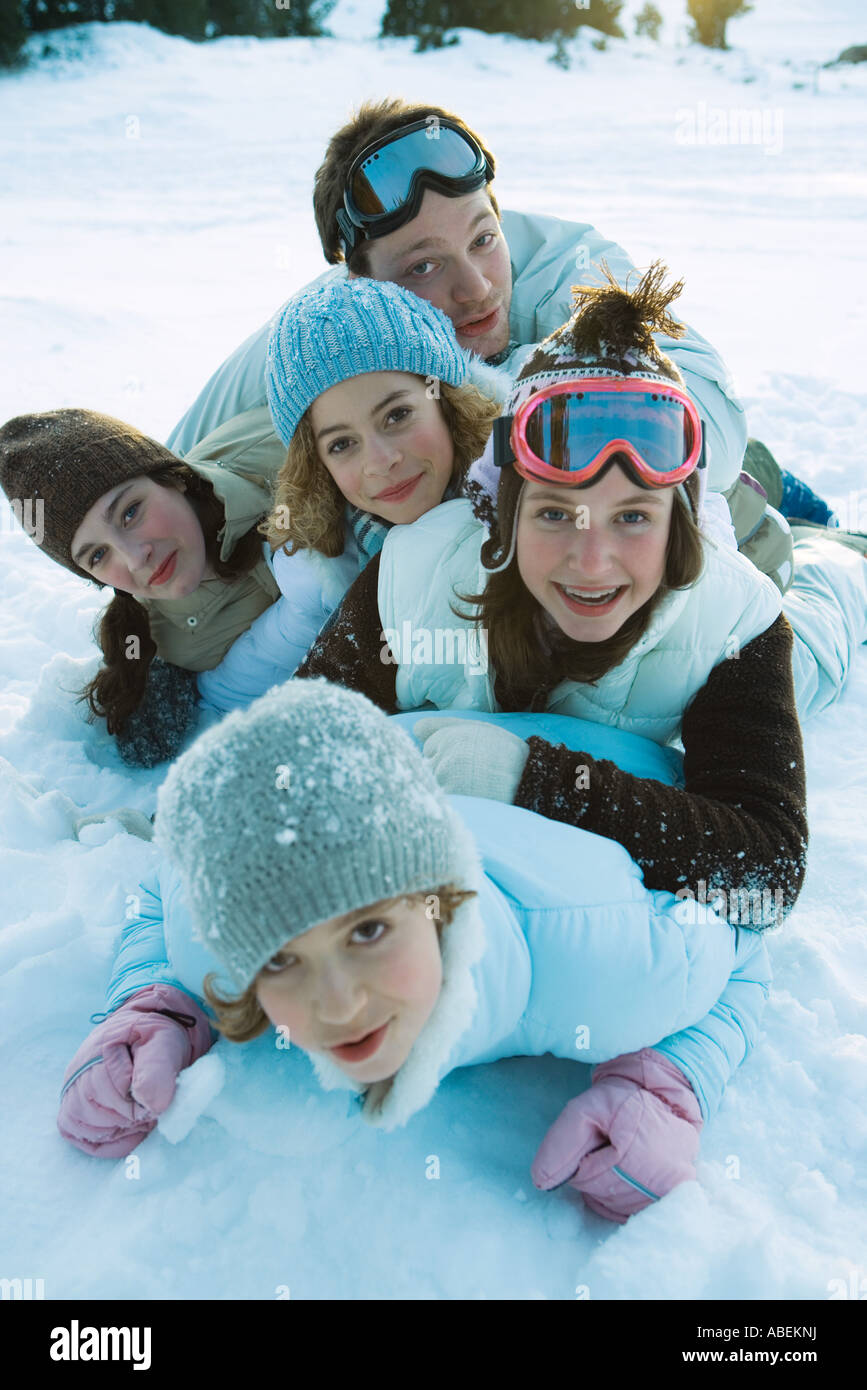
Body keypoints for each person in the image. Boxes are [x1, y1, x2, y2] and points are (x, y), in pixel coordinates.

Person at [56, 679, 771, 1227]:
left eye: (367, 933)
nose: (338, 1005)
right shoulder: (215, 937)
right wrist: (151, 1004)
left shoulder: (606, 956)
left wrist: (665, 1082)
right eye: (282, 959)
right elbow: (164, 884)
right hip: (389, 746)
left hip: (615, 763)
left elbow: (743, 932)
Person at [291, 263, 867, 920]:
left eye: (631, 516)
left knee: (820, 637)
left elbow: (764, 872)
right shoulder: (415, 573)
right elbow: (293, 749)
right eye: (554, 514)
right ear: (504, 515)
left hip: (771, 614)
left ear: (674, 521)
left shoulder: (734, 620)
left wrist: (533, 781)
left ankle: (839, 557)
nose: (591, 564)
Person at [164, 97, 831, 584]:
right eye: (423, 267)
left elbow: (702, 419)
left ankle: (785, 495)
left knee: (744, 491)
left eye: (483, 239)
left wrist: (472, 396)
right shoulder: (323, 332)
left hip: (719, 478)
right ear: (357, 283)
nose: (478, 290)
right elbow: (169, 468)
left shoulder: (570, 266)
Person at [197, 276, 509, 714]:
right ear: (319, 465)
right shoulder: (330, 566)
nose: (380, 462)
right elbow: (270, 666)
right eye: (342, 444)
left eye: (397, 415)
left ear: (447, 402)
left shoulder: (532, 482)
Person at [0, 405, 287, 766]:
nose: (136, 559)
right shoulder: (167, 640)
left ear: (173, 478)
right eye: (99, 555)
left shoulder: (280, 450)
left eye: (130, 512)